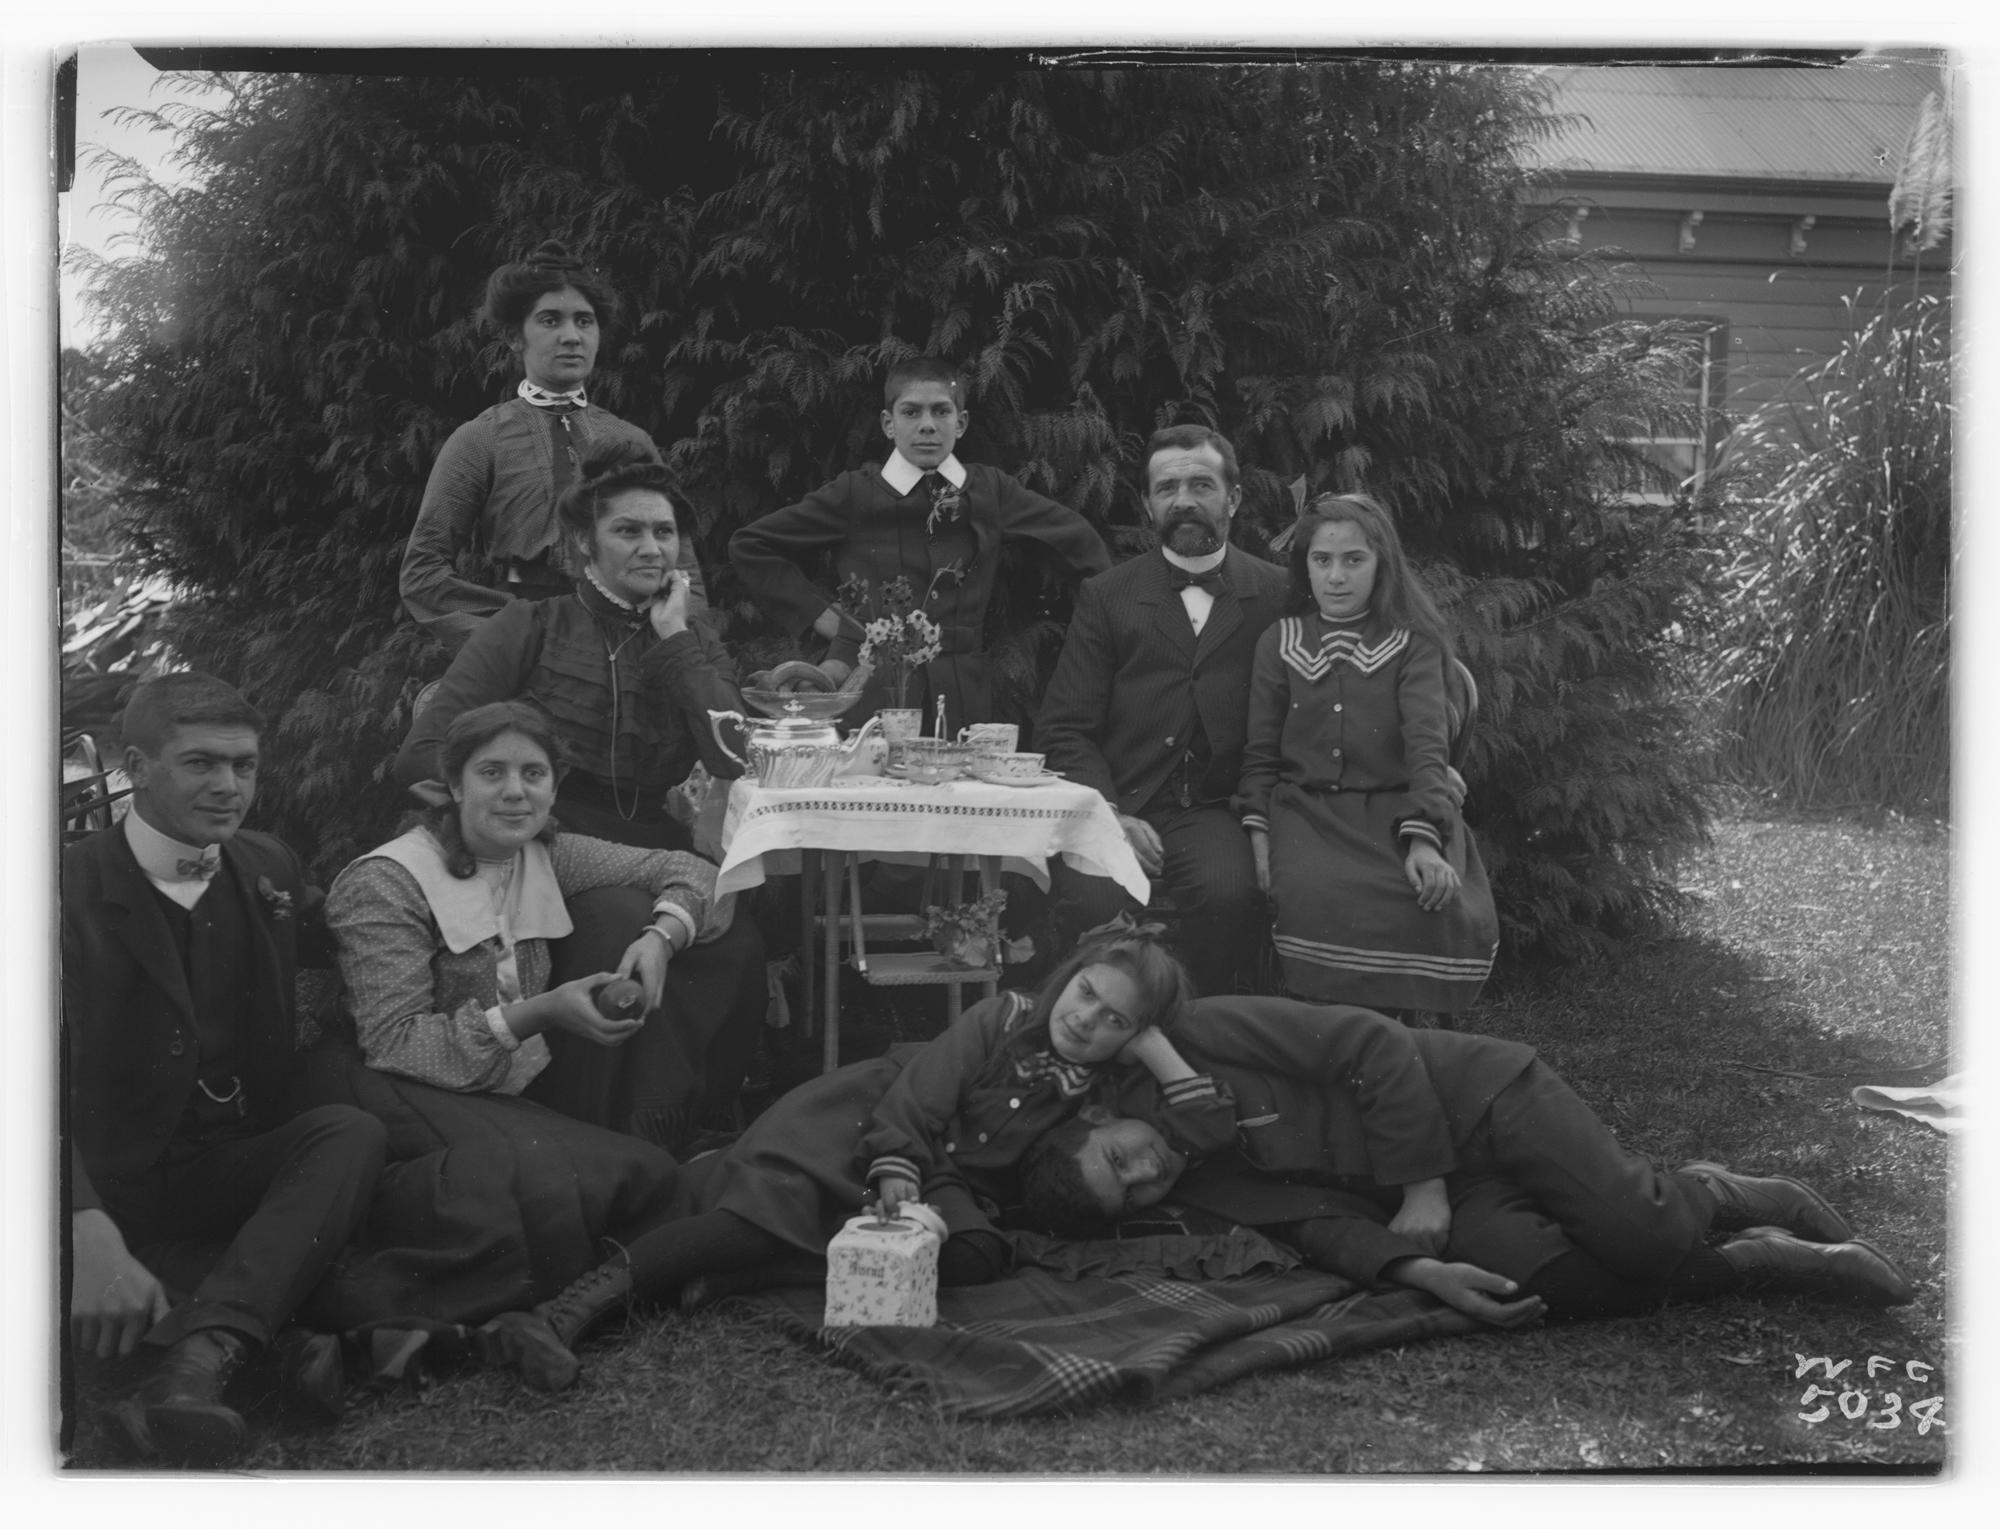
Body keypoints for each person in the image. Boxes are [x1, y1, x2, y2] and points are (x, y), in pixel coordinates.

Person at [476, 919, 1219, 1392]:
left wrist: (1155, 1050)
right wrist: (895, 1164)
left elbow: (1206, 1131)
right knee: (772, 1212)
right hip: (872, 1118)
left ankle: (752, 1275)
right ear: (1070, 977)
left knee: (970, 1257)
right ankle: (563, 1313)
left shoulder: (1109, 1085)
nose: (1085, 1019)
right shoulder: (1005, 1018)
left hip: (947, 1175)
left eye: (1114, 1018)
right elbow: (918, 1102)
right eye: (1086, 992)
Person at [1018, 996, 1919, 1323]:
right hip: (1450, 1197)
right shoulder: (1202, 1186)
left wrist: (1417, 1185)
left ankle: (1712, 1188)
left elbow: (1372, 1045)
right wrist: (1421, 1270)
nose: (1147, 1172)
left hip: (1485, 1101)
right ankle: (1757, 1256)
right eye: (1127, 1192)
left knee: (1639, 1234)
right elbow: (1315, 1225)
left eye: (1120, 1153)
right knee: (1565, 1287)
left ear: (1100, 1112)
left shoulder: (1201, 1033)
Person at [62, 673, 388, 1464]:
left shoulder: (266, 862)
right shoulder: (54, 889)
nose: (229, 786)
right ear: (136, 766)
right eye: (201, 763)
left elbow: (345, 935)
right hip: (105, 1179)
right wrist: (82, 1225)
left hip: (226, 1161)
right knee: (347, 1273)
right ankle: (274, 1347)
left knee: (349, 1131)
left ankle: (197, 1355)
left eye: (244, 765)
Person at [349, 702, 760, 1150]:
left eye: (532, 774)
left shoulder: (546, 854)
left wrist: (661, 938)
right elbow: (395, 1043)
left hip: (517, 1090)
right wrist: (543, 1011)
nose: (514, 792)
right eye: (491, 773)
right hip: (420, 1097)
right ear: (454, 785)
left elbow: (696, 873)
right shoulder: (389, 880)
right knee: (612, 1175)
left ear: (554, 786)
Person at [1034, 424, 1293, 995]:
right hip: (1118, 801)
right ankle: (1105, 1019)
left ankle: (1191, 1018)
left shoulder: (1278, 593)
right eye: (1166, 488)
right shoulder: (1108, 595)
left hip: (1215, 807)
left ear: (1234, 497)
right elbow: (1065, 726)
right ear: (1148, 503)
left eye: (1201, 485)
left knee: (1230, 894)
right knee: (1091, 896)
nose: (1183, 501)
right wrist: (1109, 815)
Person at [727, 356, 1110, 729]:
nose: (927, 425)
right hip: (866, 695)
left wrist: (1108, 625)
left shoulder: (990, 491)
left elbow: (1078, 540)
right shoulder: (854, 493)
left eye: (941, 412)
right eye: (911, 412)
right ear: (888, 424)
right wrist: (824, 617)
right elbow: (751, 545)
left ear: (960, 424)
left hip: (961, 696)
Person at [1237, 493, 1498, 1016]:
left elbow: (1428, 746)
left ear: (1382, 565)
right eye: (1321, 560)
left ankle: (1398, 1035)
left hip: (1395, 810)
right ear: (1304, 565)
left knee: (1428, 901)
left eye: (1354, 560)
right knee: (1316, 895)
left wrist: (1426, 842)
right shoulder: (1279, 642)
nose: (1336, 577)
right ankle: (1325, 1034)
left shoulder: (1411, 643)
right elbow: (1261, 755)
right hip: (1307, 815)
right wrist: (1259, 837)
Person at [399, 240, 704, 653]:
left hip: (630, 645)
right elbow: (422, 572)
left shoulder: (631, 441)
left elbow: (683, 570)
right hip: (523, 647)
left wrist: (681, 648)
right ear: (513, 336)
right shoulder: (480, 438)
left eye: (584, 321)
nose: (571, 337)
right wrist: (509, 635)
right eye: (549, 320)